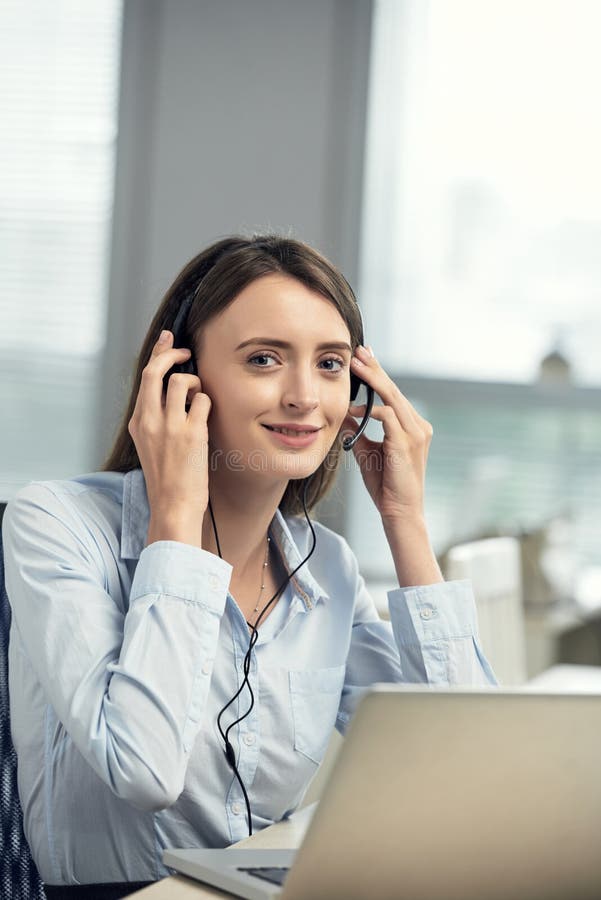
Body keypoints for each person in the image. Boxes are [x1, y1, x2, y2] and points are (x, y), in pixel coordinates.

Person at [2, 234, 497, 898]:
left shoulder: (326, 567)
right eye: (264, 359)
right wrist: (175, 511)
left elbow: (468, 771)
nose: (304, 397)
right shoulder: (54, 523)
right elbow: (144, 773)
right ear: (181, 378)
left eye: (329, 364)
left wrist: (404, 521)